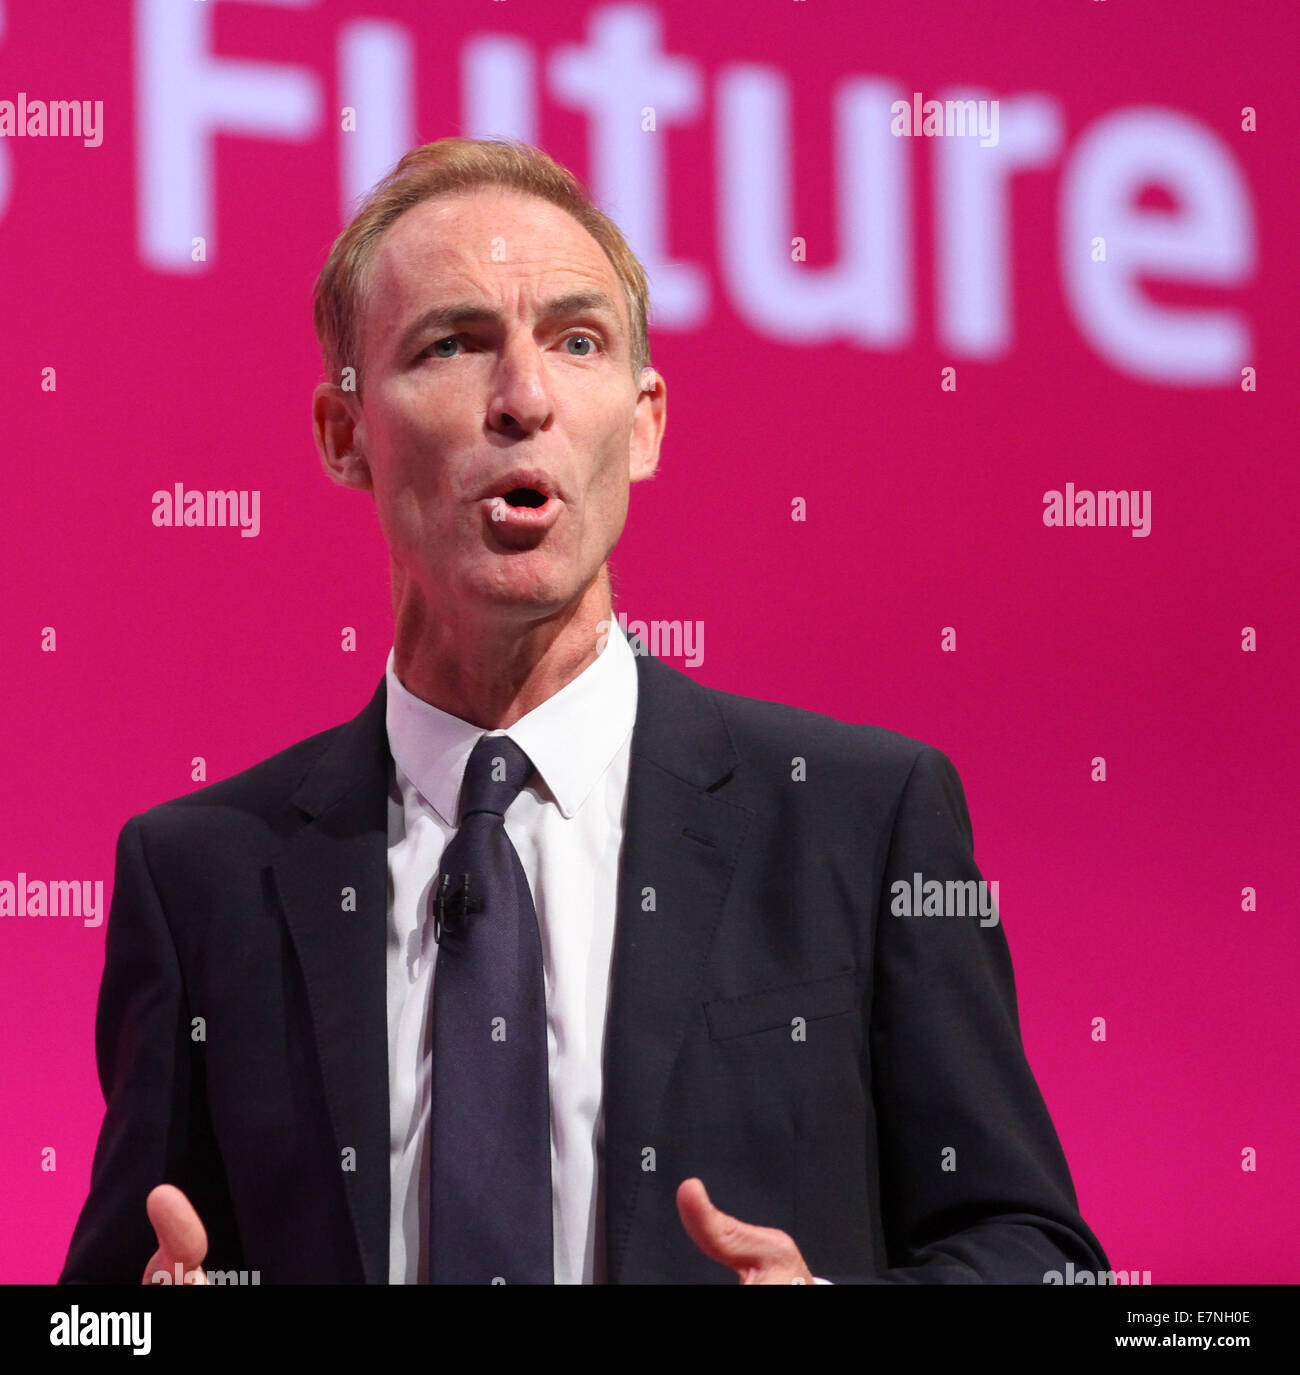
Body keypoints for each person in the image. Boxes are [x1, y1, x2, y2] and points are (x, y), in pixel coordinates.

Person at [60, 137, 1107, 1285]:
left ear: (644, 421)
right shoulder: (202, 875)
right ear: (344, 434)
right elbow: (100, 1303)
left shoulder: (858, 817)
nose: (524, 397)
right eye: (451, 345)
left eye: (575, 341)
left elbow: (1036, 1256)